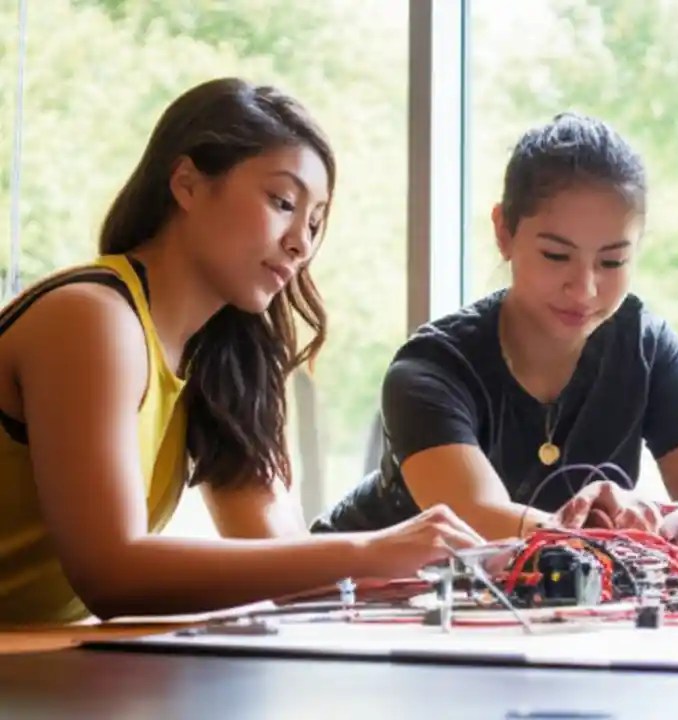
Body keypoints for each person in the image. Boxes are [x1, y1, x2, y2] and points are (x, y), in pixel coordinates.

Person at [0, 78, 483, 625]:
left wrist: (492, 565)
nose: (302, 243)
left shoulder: (223, 359)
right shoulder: (91, 319)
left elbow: (283, 562)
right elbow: (111, 573)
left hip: (42, 667)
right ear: (186, 183)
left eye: (316, 222)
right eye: (283, 202)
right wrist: (367, 551)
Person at [312, 113, 678, 541]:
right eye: (556, 255)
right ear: (503, 231)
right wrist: (615, 533)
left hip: (540, 594)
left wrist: (655, 514)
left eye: (612, 262)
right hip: (354, 593)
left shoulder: (646, 345)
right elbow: (477, 519)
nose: (585, 289)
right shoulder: (429, 369)